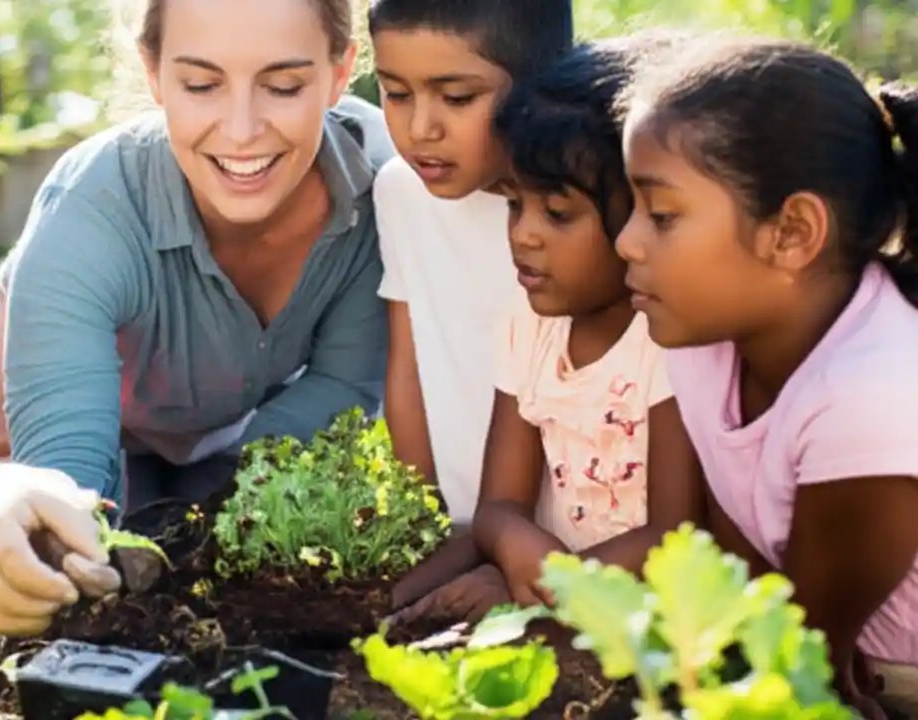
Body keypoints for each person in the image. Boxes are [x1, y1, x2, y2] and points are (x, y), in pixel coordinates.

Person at [0, 0, 395, 632]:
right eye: (201, 84)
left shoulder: (378, 194)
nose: (242, 130)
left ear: (339, 72)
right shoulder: (93, 207)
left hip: (194, 441)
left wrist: (224, 511)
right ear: (154, 73)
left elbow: (342, 384)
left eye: (284, 85)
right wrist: (59, 540)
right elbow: (61, 473)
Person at [617, 37, 918, 718]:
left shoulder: (873, 395)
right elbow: (740, 542)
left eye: (661, 215)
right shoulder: (700, 342)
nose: (626, 241)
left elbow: (810, 667)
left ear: (791, 233)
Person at [394, 35, 705, 623]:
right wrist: (511, 549)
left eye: (558, 214)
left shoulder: (667, 346)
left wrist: (546, 586)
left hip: (646, 619)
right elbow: (499, 504)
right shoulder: (528, 331)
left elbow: (675, 533)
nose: (523, 235)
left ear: (641, 216)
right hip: (552, 587)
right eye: (515, 205)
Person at [367, 0, 576, 614]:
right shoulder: (401, 192)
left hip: (576, 555)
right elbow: (408, 362)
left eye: (457, 98)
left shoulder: (586, 211)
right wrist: (424, 520)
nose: (419, 128)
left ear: (542, 83)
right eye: (395, 93)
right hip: (462, 532)